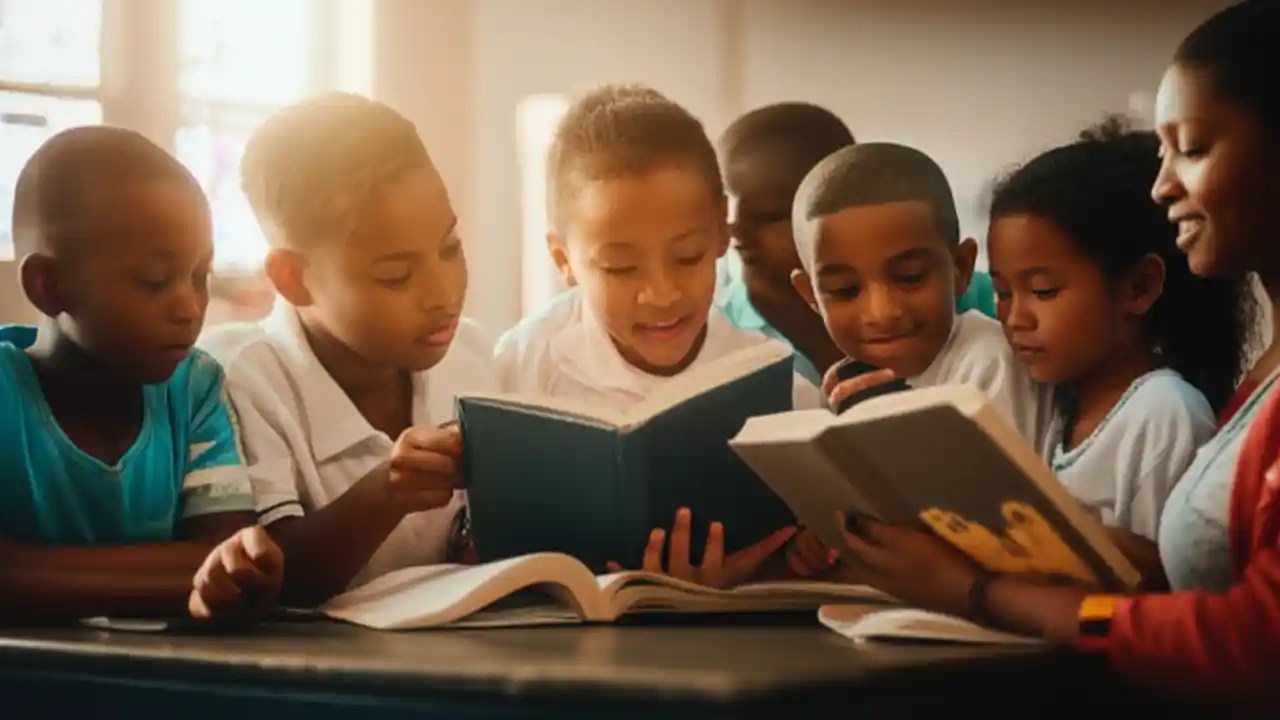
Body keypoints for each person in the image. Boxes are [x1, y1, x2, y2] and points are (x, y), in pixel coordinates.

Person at [831, 1, 1280, 706]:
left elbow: (1243, 636)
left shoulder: (1166, 408)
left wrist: (977, 586)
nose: (1163, 186)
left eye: (1192, 148)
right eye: (1003, 295)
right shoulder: (1243, 390)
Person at [495, 85, 811, 587]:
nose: (661, 294)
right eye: (620, 268)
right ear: (564, 261)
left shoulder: (780, 386)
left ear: (721, 235)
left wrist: (756, 572)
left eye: (687, 257)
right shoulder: (518, 368)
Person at [200, 93, 497, 605]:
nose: (444, 293)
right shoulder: (243, 380)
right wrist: (387, 493)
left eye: (450, 248)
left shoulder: (471, 353)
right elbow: (273, 574)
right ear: (294, 279)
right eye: (396, 276)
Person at [0, 126, 282, 622]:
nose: (190, 306)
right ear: (49, 285)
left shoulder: (193, 388)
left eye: (200, 276)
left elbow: (231, 557)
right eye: (154, 281)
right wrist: (183, 579)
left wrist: (33, 573)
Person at [987, 118, 1250, 545]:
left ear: (1138, 287)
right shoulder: (1051, 404)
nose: (1016, 318)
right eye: (1002, 292)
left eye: (1043, 291)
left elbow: (1163, 587)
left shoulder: (1163, 413)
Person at [717, 102, 997, 385]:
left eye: (768, 216)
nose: (736, 231)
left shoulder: (991, 306)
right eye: (727, 209)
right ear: (809, 294)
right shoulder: (720, 331)